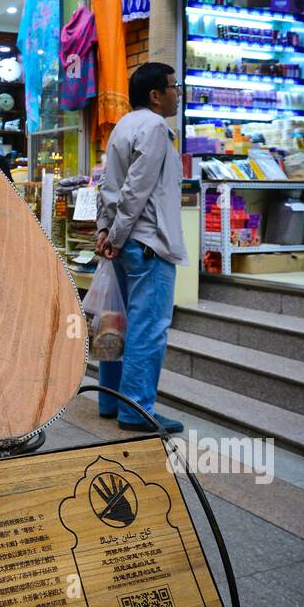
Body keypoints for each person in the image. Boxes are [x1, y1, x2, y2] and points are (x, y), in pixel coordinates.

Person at [94, 63, 186, 433]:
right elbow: (137, 190)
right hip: (148, 243)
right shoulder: (154, 127)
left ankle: (110, 401)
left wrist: (106, 231)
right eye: (173, 87)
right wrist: (114, 236)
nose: (176, 92)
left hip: (126, 243)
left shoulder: (123, 126)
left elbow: (108, 185)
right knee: (148, 329)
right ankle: (136, 410)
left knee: (119, 323)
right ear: (155, 95)